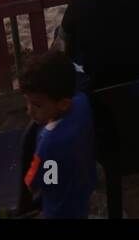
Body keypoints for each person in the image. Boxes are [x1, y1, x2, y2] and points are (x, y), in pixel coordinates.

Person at [18, 50, 97, 219]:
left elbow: (38, 184)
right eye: (27, 102)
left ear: (62, 104)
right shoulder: (81, 102)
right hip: (83, 193)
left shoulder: (49, 144)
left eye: (37, 105)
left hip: (59, 210)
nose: (29, 111)